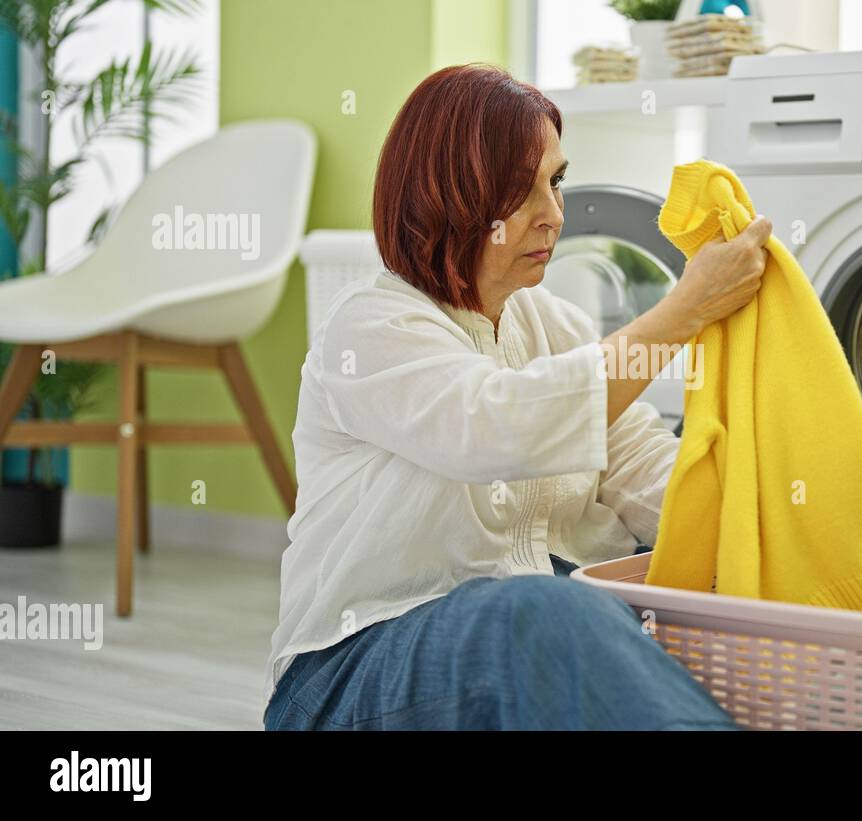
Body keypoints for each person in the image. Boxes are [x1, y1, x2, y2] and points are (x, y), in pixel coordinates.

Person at [262, 63, 771, 730]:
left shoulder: (554, 326)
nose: (553, 214)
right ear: (447, 197)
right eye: (518, 192)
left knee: (619, 615)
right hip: (349, 675)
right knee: (541, 610)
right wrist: (687, 310)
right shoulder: (370, 329)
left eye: (555, 182)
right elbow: (497, 426)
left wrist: (768, 518)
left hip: (531, 638)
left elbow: (648, 470)